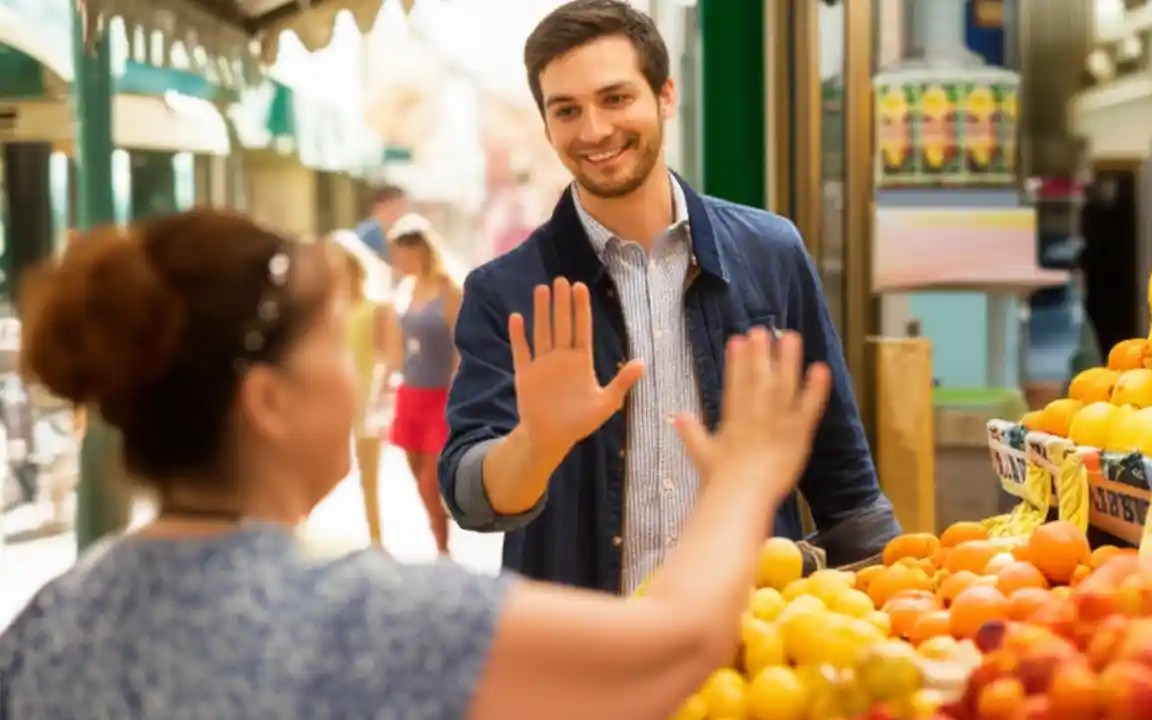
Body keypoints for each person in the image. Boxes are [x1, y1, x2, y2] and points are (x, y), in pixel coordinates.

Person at [0, 209, 831, 719]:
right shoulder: (358, 615)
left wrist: (536, 443)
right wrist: (746, 480)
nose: (359, 369)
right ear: (267, 402)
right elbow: (673, 650)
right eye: (333, 341)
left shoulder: (48, 622)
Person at [441, 0, 900, 593]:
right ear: (548, 124)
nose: (594, 130)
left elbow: (844, 480)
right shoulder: (504, 291)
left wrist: (900, 602)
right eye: (567, 110)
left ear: (665, 95)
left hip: (750, 637)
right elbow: (469, 497)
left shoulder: (770, 254)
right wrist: (536, 443)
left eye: (616, 98)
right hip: (582, 651)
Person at [387, 214, 459, 556]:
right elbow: (397, 346)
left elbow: (462, 347)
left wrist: (458, 393)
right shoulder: (405, 289)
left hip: (440, 397)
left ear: (423, 250)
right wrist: (385, 383)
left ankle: (444, 550)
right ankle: (438, 538)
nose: (400, 261)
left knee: (432, 482)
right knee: (418, 480)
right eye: (397, 254)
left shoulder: (450, 290)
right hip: (409, 395)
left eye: (406, 253)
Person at [327, 229, 396, 546]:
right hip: (335, 396)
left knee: (370, 477)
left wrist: (379, 397)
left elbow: (390, 356)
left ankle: (376, 540)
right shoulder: (329, 310)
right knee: (327, 470)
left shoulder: (376, 307)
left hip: (368, 398)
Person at [354, 184, 408, 264]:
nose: (399, 212)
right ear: (379, 206)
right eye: (395, 206)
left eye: (401, 207)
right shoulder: (366, 233)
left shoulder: (401, 234)